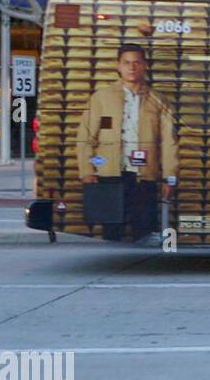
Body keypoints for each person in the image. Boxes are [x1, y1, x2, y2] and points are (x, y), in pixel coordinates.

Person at [76, 43, 178, 241]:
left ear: (145, 66)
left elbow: (168, 142)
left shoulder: (157, 100)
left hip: (144, 176)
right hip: (108, 173)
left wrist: (170, 176)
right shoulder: (102, 98)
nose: (132, 67)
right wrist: (87, 170)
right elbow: (86, 136)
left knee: (145, 229)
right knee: (111, 229)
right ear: (118, 66)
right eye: (126, 63)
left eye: (137, 63)